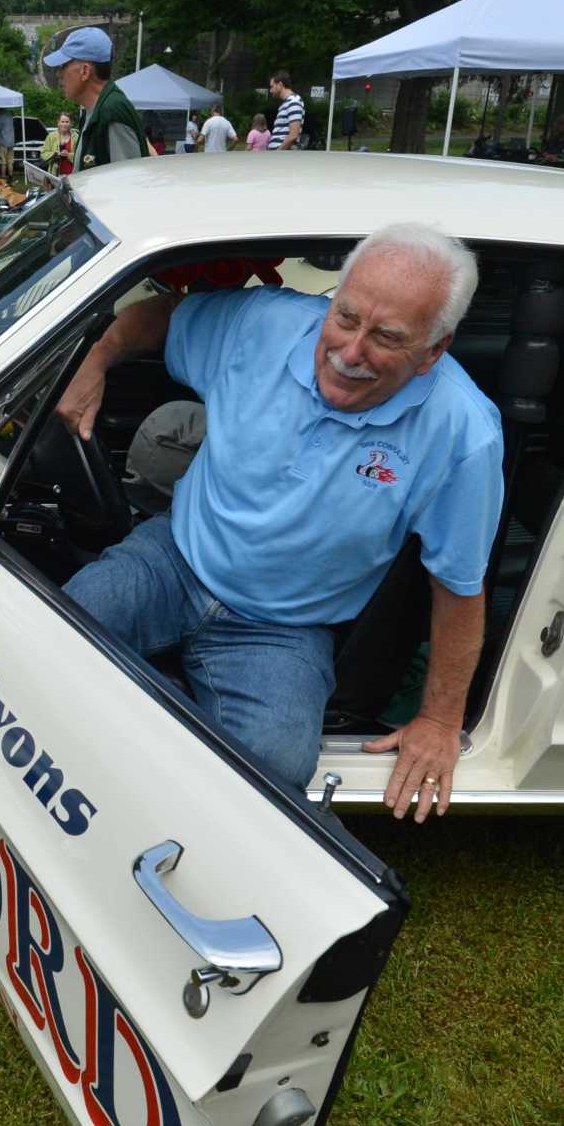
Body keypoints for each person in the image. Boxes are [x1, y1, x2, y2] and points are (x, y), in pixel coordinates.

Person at [52, 223, 501, 814]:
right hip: (175, 558)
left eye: (386, 337)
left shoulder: (463, 434)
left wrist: (440, 720)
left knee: (277, 766)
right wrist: (99, 359)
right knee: (49, 644)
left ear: (433, 351)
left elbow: (459, 586)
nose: (349, 351)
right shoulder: (263, 323)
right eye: (345, 316)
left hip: (282, 627)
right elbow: (163, 317)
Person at [45, 27, 145, 168]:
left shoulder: (112, 112)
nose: (59, 74)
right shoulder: (94, 111)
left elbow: (127, 185)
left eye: (63, 65)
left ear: (85, 71)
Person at [267, 71, 305, 150]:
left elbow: (293, 135)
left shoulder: (293, 101)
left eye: (272, 86)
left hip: (282, 157)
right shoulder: (285, 103)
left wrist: (278, 151)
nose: (271, 90)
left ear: (280, 85)